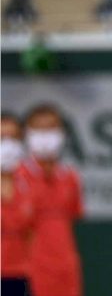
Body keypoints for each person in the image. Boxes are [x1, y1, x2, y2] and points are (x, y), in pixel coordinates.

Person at [19, 104, 84, 296]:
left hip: (66, 268)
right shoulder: (17, 177)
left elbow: (73, 218)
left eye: (51, 128)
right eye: (39, 129)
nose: (45, 135)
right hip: (27, 269)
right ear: (27, 134)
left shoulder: (70, 177)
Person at [1, 113, 34, 296]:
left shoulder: (31, 181)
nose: (6, 145)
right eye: (1, 138)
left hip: (24, 274)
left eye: (12, 138)